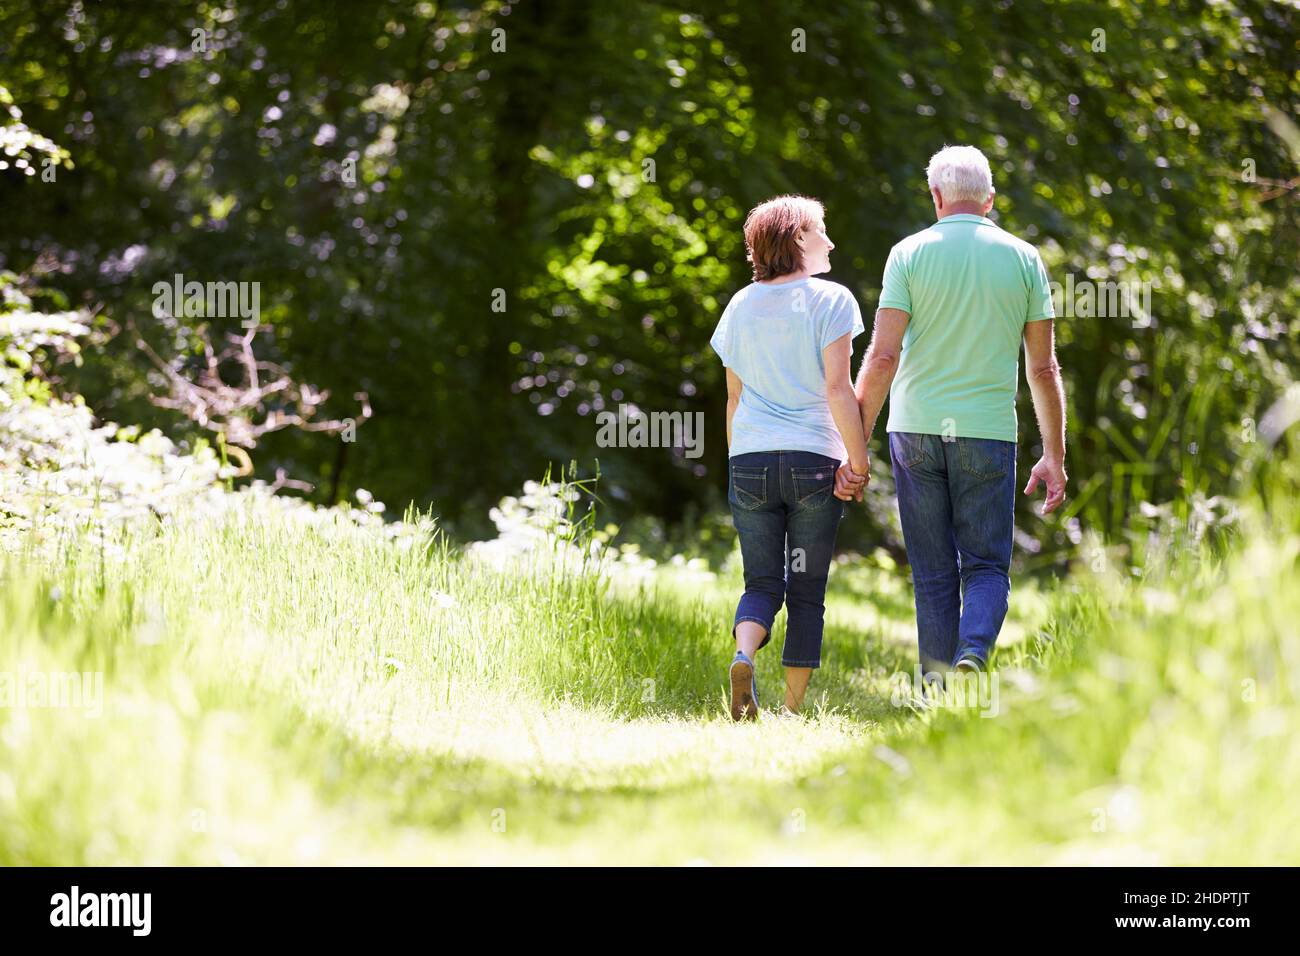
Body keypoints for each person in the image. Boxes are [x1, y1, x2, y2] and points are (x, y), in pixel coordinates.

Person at [837, 145, 1068, 681]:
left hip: (915, 430)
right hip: (988, 434)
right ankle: (972, 655)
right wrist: (1053, 455)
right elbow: (1044, 370)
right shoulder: (1025, 258)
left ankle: (937, 687)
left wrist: (855, 446)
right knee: (986, 566)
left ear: (936, 196)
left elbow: (884, 355)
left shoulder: (908, 253)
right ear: (989, 199)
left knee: (933, 572)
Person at [710, 195, 869, 720]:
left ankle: (743, 655)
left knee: (760, 583)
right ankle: (793, 710)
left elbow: (733, 398)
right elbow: (838, 390)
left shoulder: (739, 305)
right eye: (822, 230)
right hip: (811, 462)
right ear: (798, 237)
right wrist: (858, 461)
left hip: (751, 459)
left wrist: (738, 466)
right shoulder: (833, 300)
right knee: (806, 589)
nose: (831, 240)